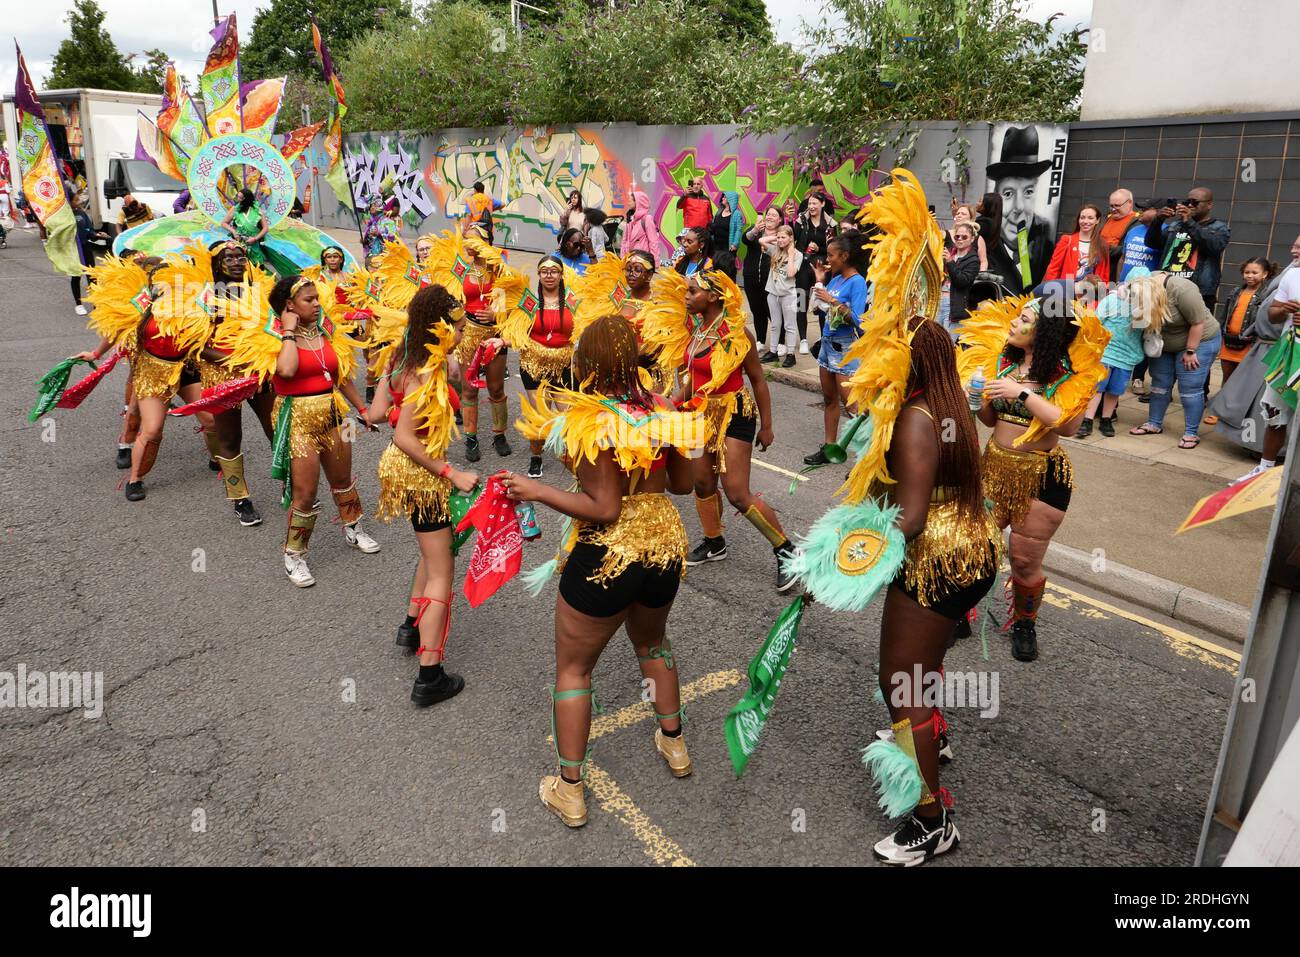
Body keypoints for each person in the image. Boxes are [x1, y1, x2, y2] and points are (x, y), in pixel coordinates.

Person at [502, 315, 705, 827]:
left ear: (587, 359)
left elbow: (606, 506)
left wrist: (537, 491)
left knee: (574, 670)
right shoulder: (663, 408)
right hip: (663, 548)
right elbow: (684, 482)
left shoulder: (589, 417)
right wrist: (695, 432)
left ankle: (569, 790)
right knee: (654, 645)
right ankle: (675, 744)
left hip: (609, 554)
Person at [868, 319, 1002, 865]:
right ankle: (934, 737)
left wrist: (843, 562)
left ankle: (931, 822)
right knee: (921, 670)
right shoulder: (951, 403)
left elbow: (912, 518)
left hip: (936, 559)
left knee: (900, 683)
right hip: (973, 547)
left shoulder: (916, 418)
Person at [962, 295, 1108, 662]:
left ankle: (1025, 625)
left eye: (1023, 318)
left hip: (1042, 477)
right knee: (975, 546)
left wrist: (1022, 393)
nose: (1013, 323)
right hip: (993, 468)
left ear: (1043, 333)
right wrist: (979, 399)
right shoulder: (1001, 362)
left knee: (1024, 559)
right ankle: (962, 610)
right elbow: (992, 422)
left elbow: (1069, 425)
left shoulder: (1069, 374)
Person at [640, 266, 799, 591]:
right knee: (701, 482)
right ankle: (715, 541)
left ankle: (788, 552)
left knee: (738, 493)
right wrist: (666, 404)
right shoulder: (697, 330)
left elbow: (758, 380)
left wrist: (767, 426)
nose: (686, 297)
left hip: (734, 415)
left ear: (712, 296)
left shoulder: (736, 335)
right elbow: (692, 381)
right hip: (699, 417)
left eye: (692, 292)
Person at [367, 284, 480, 705]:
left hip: (403, 471)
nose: (461, 332)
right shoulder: (426, 369)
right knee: (442, 571)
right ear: (440, 325)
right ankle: (429, 674)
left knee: (433, 550)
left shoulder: (402, 357)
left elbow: (376, 413)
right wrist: (452, 473)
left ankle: (410, 625)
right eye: (457, 325)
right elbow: (402, 435)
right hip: (421, 471)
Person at [256, 275, 380, 586]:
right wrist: (287, 330)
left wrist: (362, 410)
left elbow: (343, 375)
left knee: (342, 479)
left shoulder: (326, 330)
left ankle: (353, 528)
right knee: (306, 492)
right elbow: (285, 371)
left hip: (334, 413)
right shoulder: (272, 334)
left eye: (316, 299)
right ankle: (294, 555)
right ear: (289, 305)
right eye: (308, 300)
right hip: (297, 418)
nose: (316, 304)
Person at [74, 255, 213, 502]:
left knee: (211, 419)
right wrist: (95, 353)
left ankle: (218, 457)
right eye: (160, 280)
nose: (166, 285)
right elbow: (117, 329)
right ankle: (135, 478)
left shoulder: (193, 303)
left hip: (186, 369)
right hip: (152, 373)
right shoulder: (139, 306)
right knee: (152, 429)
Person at [1209, 236, 1300, 470]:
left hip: (1279, 349)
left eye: (1299, 246)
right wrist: (1281, 310)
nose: (1293, 249)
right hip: (1277, 350)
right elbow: (1273, 312)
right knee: (1271, 409)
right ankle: (1264, 460)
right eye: (1294, 244)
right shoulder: (1291, 274)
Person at [496, 254, 577, 478]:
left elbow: (586, 329)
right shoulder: (529, 303)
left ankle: (571, 456)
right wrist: (501, 341)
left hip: (564, 365)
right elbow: (518, 336)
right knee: (538, 414)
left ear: (561, 275)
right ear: (539, 275)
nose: (549, 276)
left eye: (554, 271)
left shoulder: (573, 301)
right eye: (544, 271)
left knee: (567, 414)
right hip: (533, 365)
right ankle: (536, 456)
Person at [1126, 272, 1222, 449]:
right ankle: (1153, 423)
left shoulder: (1182, 289)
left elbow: (1198, 322)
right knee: (1159, 384)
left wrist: (1191, 350)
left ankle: (1191, 433)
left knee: (1190, 388)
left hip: (1199, 340)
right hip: (1164, 343)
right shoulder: (1141, 285)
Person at [803, 235, 868, 465]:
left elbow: (859, 320)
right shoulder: (837, 278)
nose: (828, 259)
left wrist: (831, 300)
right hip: (828, 345)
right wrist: (821, 281)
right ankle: (829, 448)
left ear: (845, 256)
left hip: (845, 349)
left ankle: (869, 456)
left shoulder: (857, 282)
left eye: (831, 255)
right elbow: (821, 308)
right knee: (830, 399)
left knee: (853, 406)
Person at [1076, 267, 1162, 438]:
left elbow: (1149, 330)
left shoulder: (1147, 307)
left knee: (1114, 391)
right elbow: (1097, 321)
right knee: (1097, 389)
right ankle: (1087, 419)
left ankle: (1106, 419)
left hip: (1126, 357)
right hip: (1105, 353)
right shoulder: (1112, 300)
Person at [455, 227, 515, 461]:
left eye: (474, 238)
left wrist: (496, 314)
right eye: (466, 238)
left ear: (487, 242)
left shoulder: (500, 268)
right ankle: (471, 439)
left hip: (494, 333)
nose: (468, 242)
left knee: (496, 388)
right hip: (467, 333)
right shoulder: (459, 267)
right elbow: (451, 296)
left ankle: (499, 435)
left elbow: (513, 299)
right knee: (468, 388)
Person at [1206, 257, 1278, 426]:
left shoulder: (1266, 295)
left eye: (1254, 272)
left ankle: (1239, 412)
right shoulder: (1236, 292)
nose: (1249, 276)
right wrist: (1220, 334)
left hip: (1249, 344)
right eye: (1247, 272)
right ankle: (1220, 410)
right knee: (1227, 378)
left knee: (1243, 381)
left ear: (1265, 274)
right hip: (1229, 342)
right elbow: (1225, 316)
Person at [984, 127, 1055, 294]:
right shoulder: (983, 238)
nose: (1019, 207)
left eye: (1028, 192)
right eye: (1008, 194)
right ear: (996, 196)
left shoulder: (1043, 241)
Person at [1146, 186, 1231, 312]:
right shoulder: (1176, 225)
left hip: (1197, 290)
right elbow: (1152, 242)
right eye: (1187, 202)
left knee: (1195, 328)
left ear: (1209, 205)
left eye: (1195, 202)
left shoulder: (1219, 228)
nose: (1190, 205)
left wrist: (1189, 222)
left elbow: (1214, 246)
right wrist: (1158, 220)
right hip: (1167, 286)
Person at [794, 192, 838, 355]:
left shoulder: (830, 224)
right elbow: (794, 241)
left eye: (815, 204)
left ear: (822, 204)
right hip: (804, 265)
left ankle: (823, 337)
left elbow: (834, 248)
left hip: (822, 267)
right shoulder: (801, 221)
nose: (811, 207)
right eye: (810, 204)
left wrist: (820, 249)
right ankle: (804, 339)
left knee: (822, 302)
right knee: (801, 302)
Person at [762, 224, 801, 367]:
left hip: (788, 294)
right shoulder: (774, 250)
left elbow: (791, 273)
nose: (780, 240)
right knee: (775, 324)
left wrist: (790, 254)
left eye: (783, 237)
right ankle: (773, 352)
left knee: (789, 325)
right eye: (778, 237)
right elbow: (762, 241)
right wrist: (777, 237)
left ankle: (790, 354)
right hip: (773, 293)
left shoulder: (797, 255)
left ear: (791, 238)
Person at [744, 207, 780, 358]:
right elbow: (745, 239)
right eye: (768, 214)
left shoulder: (782, 234)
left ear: (780, 220)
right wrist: (755, 230)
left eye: (774, 215)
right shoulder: (757, 229)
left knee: (773, 311)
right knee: (757, 310)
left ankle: (780, 342)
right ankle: (760, 340)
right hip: (751, 276)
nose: (770, 217)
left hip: (771, 279)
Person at [1044, 204, 1110, 284]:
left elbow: (1104, 274)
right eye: (1082, 217)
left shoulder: (1102, 244)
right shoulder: (1067, 240)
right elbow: (1053, 268)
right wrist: (1049, 290)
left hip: (1089, 294)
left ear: (1097, 220)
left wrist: (1101, 293)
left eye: (1090, 218)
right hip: (1066, 291)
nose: (1085, 221)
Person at [71, 193, 109, 315]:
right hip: (73, 250)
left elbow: (90, 231)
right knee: (76, 276)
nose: (79, 201)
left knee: (92, 276)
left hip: (85, 248)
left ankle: (95, 303)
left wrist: (97, 235)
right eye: (76, 199)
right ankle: (78, 305)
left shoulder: (82, 214)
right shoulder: (65, 216)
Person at [944, 221, 981, 327]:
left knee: (950, 342)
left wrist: (950, 262)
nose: (959, 239)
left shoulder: (973, 260)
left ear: (972, 239)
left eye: (964, 237)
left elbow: (962, 281)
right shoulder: (949, 253)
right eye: (957, 236)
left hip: (957, 310)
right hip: (941, 303)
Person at [1100, 188, 1137, 277]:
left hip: (1116, 271)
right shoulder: (1106, 218)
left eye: (1117, 205)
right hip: (1099, 269)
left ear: (1129, 203)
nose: (1113, 209)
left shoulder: (1138, 222)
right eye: (1111, 206)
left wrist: (1101, 249)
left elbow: (1128, 249)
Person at [621, 187, 662, 261]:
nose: (628, 202)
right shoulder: (630, 219)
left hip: (643, 260)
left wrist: (655, 263)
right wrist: (622, 259)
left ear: (638, 202)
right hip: (630, 260)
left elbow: (653, 242)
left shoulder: (647, 219)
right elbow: (624, 241)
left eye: (631, 200)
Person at [946, 203, 988, 271]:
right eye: (958, 213)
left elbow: (983, 261)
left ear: (971, 218)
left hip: (969, 277)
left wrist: (980, 275)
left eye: (963, 214)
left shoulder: (978, 238)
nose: (959, 215)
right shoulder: (945, 233)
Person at [710, 191, 745, 261]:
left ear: (730, 199)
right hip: (716, 245)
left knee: (726, 267)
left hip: (728, 247)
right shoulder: (719, 211)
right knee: (715, 266)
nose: (722, 198)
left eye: (725, 197)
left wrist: (735, 244)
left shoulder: (737, 214)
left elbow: (739, 230)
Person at [465, 181, 503, 245]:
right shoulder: (489, 199)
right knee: (486, 249)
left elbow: (468, 216)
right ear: (483, 190)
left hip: (476, 228)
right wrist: (493, 209)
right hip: (488, 227)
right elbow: (503, 204)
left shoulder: (471, 200)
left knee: (476, 248)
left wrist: (465, 230)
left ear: (475, 190)